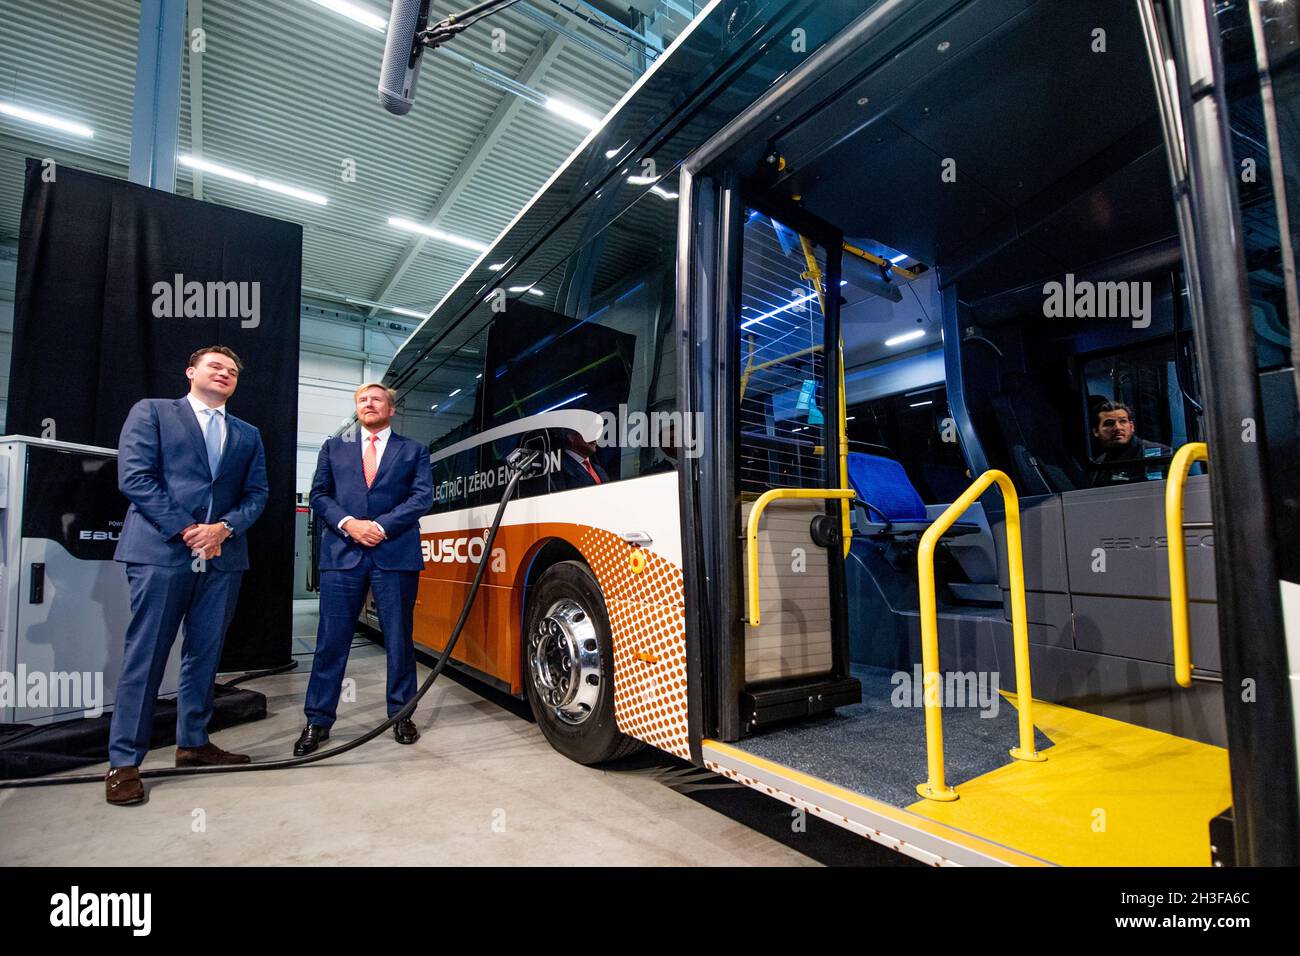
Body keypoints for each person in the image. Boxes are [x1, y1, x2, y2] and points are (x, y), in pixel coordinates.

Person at [106, 346, 269, 806]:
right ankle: (124, 762)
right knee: (148, 655)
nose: (224, 374)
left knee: (205, 654)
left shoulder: (247, 434)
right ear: (191, 371)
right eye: (216, 366)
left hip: (224, 556)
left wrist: (224, 528)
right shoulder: (153, 413)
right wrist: (188, 529)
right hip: (161, 552)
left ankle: (193, 744)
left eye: (233, 371)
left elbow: (258, 493)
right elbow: (136, 478)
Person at [295, 384, 433, 755]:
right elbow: (319, 496)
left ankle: (401, 714)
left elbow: (422, 497)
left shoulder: (414, 450)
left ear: (391, 406)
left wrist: (382, 527)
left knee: (400, 639)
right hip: (343, 553)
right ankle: (318, 720)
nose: (367, 403)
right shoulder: (333, 448)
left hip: (395, 553)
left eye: (375, 398)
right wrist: (350, 524)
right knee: (331, 641)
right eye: (361, 400)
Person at [1089, 400, 1171, 485]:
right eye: (1109, 423)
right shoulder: (1099, 462)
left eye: (1123, 421)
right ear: (1096, 431)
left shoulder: (1158, 453)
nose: (1118, 427)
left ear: (1132, 426)